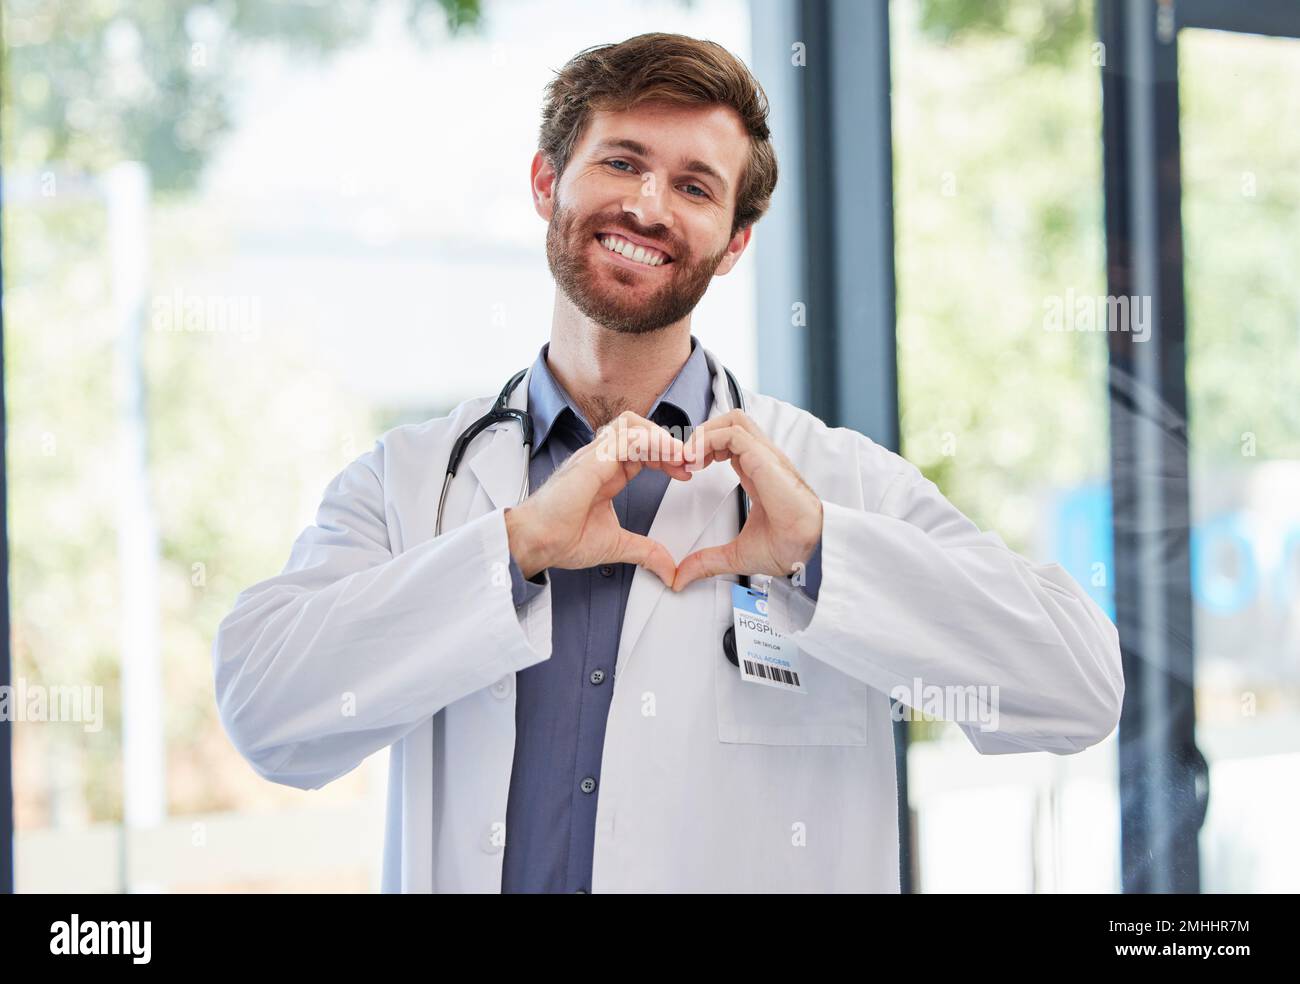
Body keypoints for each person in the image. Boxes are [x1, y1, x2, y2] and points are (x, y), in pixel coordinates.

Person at [212, 32, 1124, 893]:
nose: (648, 205)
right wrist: (515, 547)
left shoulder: (834, 484)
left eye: (695, 186)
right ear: (545, 181)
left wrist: (823, 553)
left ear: (734, 245)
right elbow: (267, 716)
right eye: (621, 161)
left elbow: (1077, 690)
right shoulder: (413, 480)